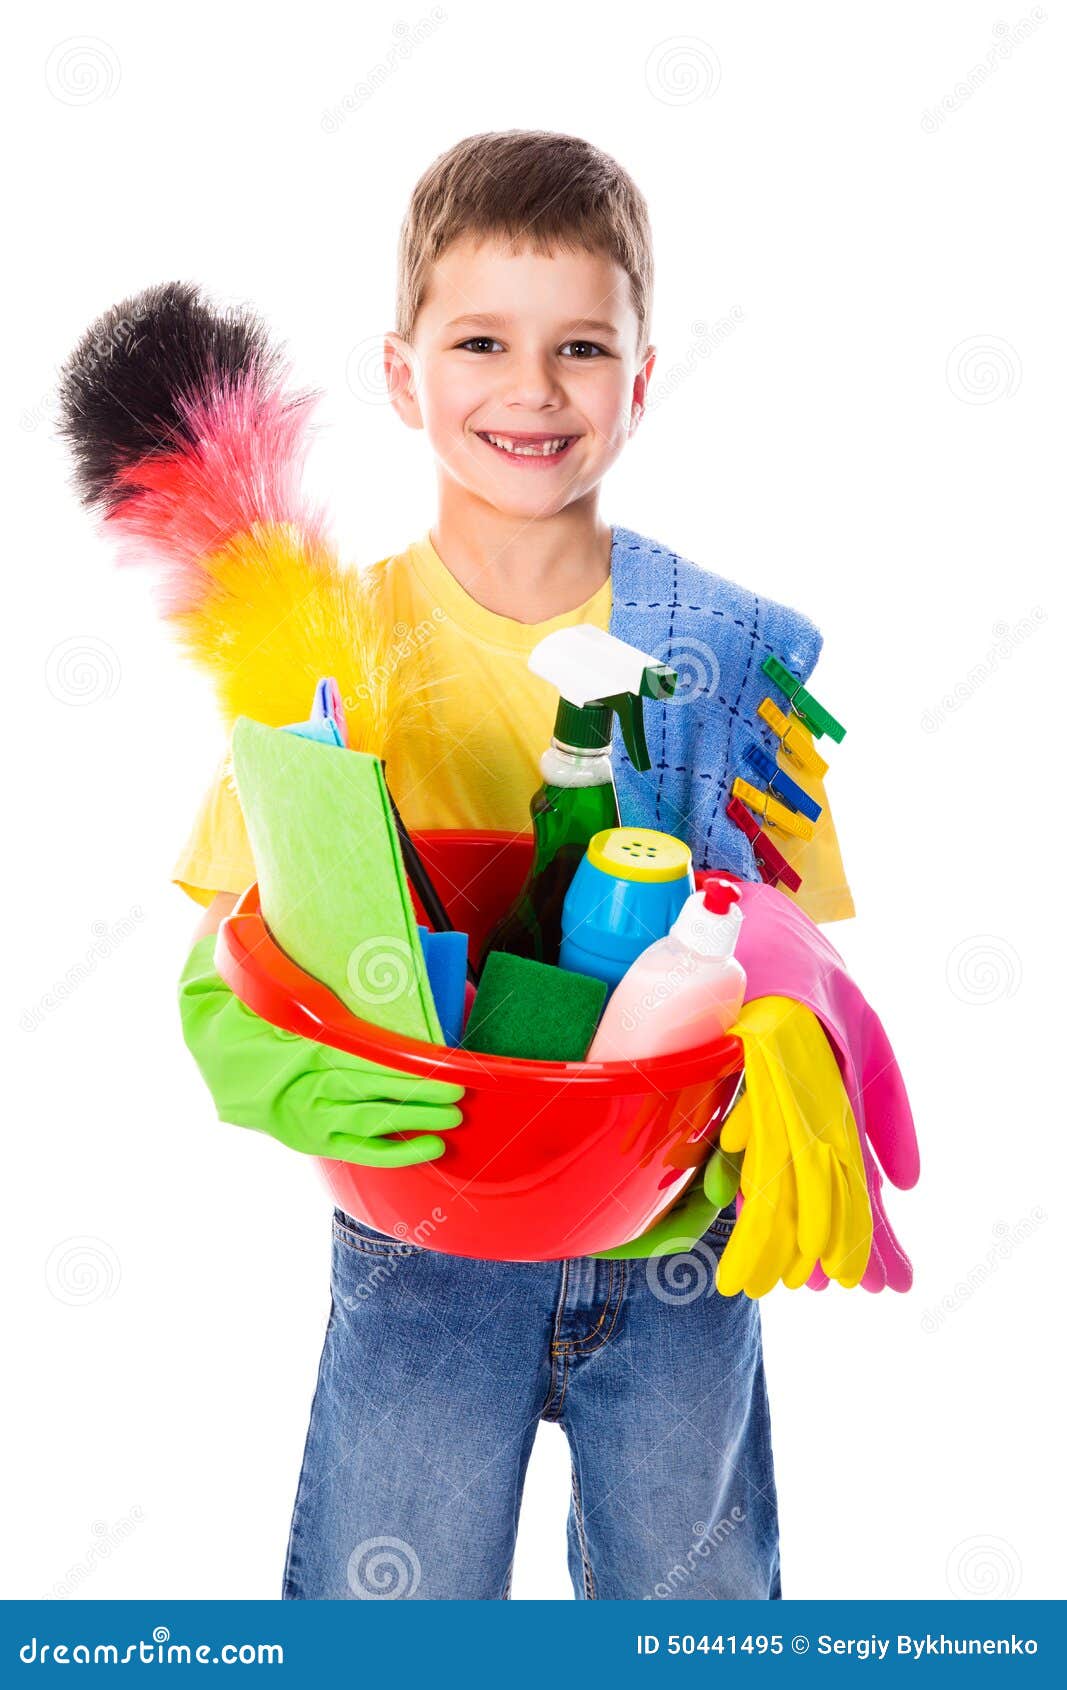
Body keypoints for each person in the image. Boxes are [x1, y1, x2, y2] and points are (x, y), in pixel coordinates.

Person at [174, 130, 853, 1601]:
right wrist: (237, 1037)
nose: (532, 389)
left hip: (677, 1230)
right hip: (420, 1220)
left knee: (700, 1622)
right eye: (480, 339)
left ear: (642, 379)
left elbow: (791, 928)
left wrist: (803, 1026)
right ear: (404, 373)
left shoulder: (728, 659)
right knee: (388, 1617)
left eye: (581, 346)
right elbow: (240, 922)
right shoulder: (320, 656)